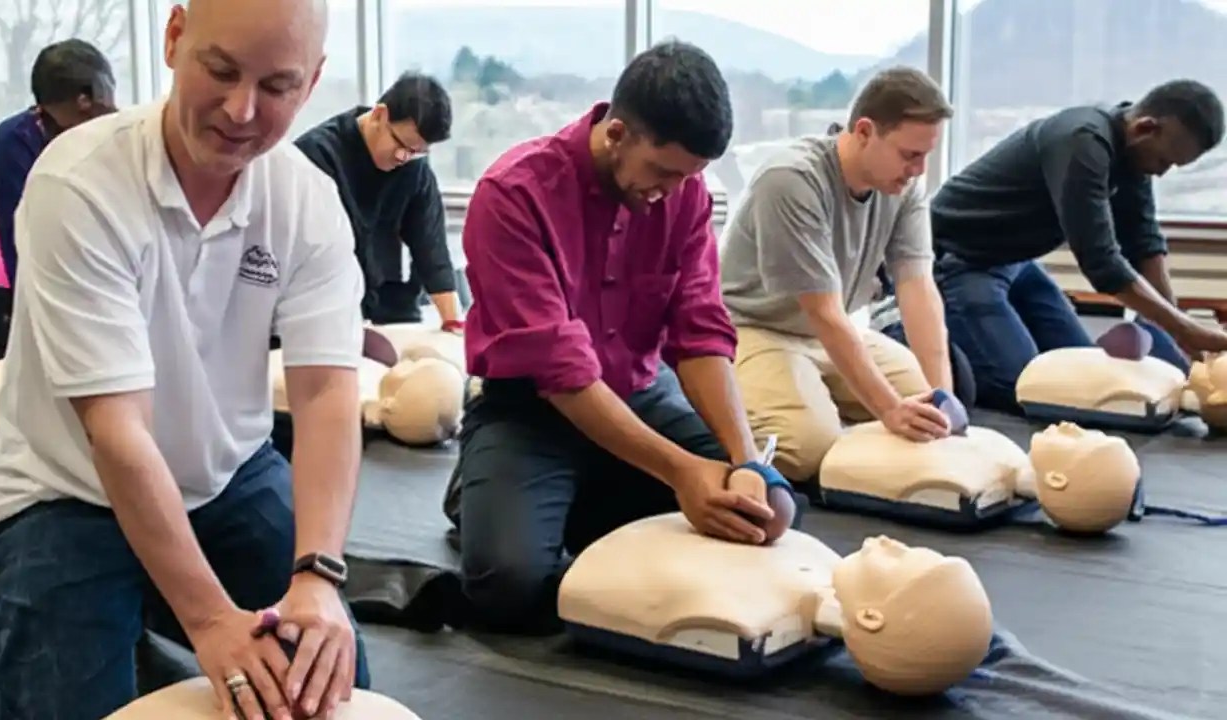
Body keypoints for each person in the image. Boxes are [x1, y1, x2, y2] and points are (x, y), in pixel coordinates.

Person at [0, 0, 373, 718]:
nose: (242, 110)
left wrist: (318, 576)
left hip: (226, 478)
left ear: (312, 82)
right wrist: (209, 623)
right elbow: (117, 431)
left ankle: (129, 604)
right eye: (222, 70)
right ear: (175, 38)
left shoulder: (306, 201)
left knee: (331, 676)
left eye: (276, 88)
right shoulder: (79, 182)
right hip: (65, 493)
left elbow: (328, 392)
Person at [448, 40, 789, 633]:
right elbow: (563, 374)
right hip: (530, 411)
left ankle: (564, 497)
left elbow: (701, 330)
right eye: (662, 172)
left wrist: (746, 459)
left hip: (638, 392)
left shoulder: (684, 194)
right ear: (616, 133)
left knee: (768, 512)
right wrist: (682, 474)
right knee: (508, 584)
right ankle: (487, 491)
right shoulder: (513, 196)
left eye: (688, 177)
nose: (672, 190)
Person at [719, 67, 956, 487]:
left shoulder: (904, 187)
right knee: (804, 449)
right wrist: (888, 410)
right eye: (909, 155)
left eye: (925, 156)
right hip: (755, 329)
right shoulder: (791, 181)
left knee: (925, 410)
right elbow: (823, 312)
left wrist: (944, 400)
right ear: (864, 131)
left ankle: (827, 411)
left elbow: (918, 288)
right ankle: (730, 403)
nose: (919, 169)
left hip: (832, 331)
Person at [930, 79, 1227, 412]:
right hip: (959, 259)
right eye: (1165, 161)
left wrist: (1184, 341)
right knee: (1025, 387)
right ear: (1146, 128)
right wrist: (1186, 329)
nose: (1161, 172)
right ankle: (915, 332)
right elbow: (1101, 263)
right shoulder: (1083, 142)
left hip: (1016, 263)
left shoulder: (1133, 151)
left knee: (1084, 375)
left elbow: (1144, 244)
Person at [0, 38, 118, 353]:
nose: (106, 110)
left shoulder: (116, 132)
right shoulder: (15, 139)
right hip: (15, 287)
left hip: (85, 281)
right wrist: (31, 317)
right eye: (97, 104)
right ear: (80, 101)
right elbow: (16, 235)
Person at [295, 71, 462, 329]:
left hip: (393, 311)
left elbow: (432, 251)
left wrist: (454, 324)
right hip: (326, 312)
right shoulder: (316, 157)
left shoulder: (413, 166)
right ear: (379, 115)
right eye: (402, 145)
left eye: (417, 153)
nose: (403, 158)